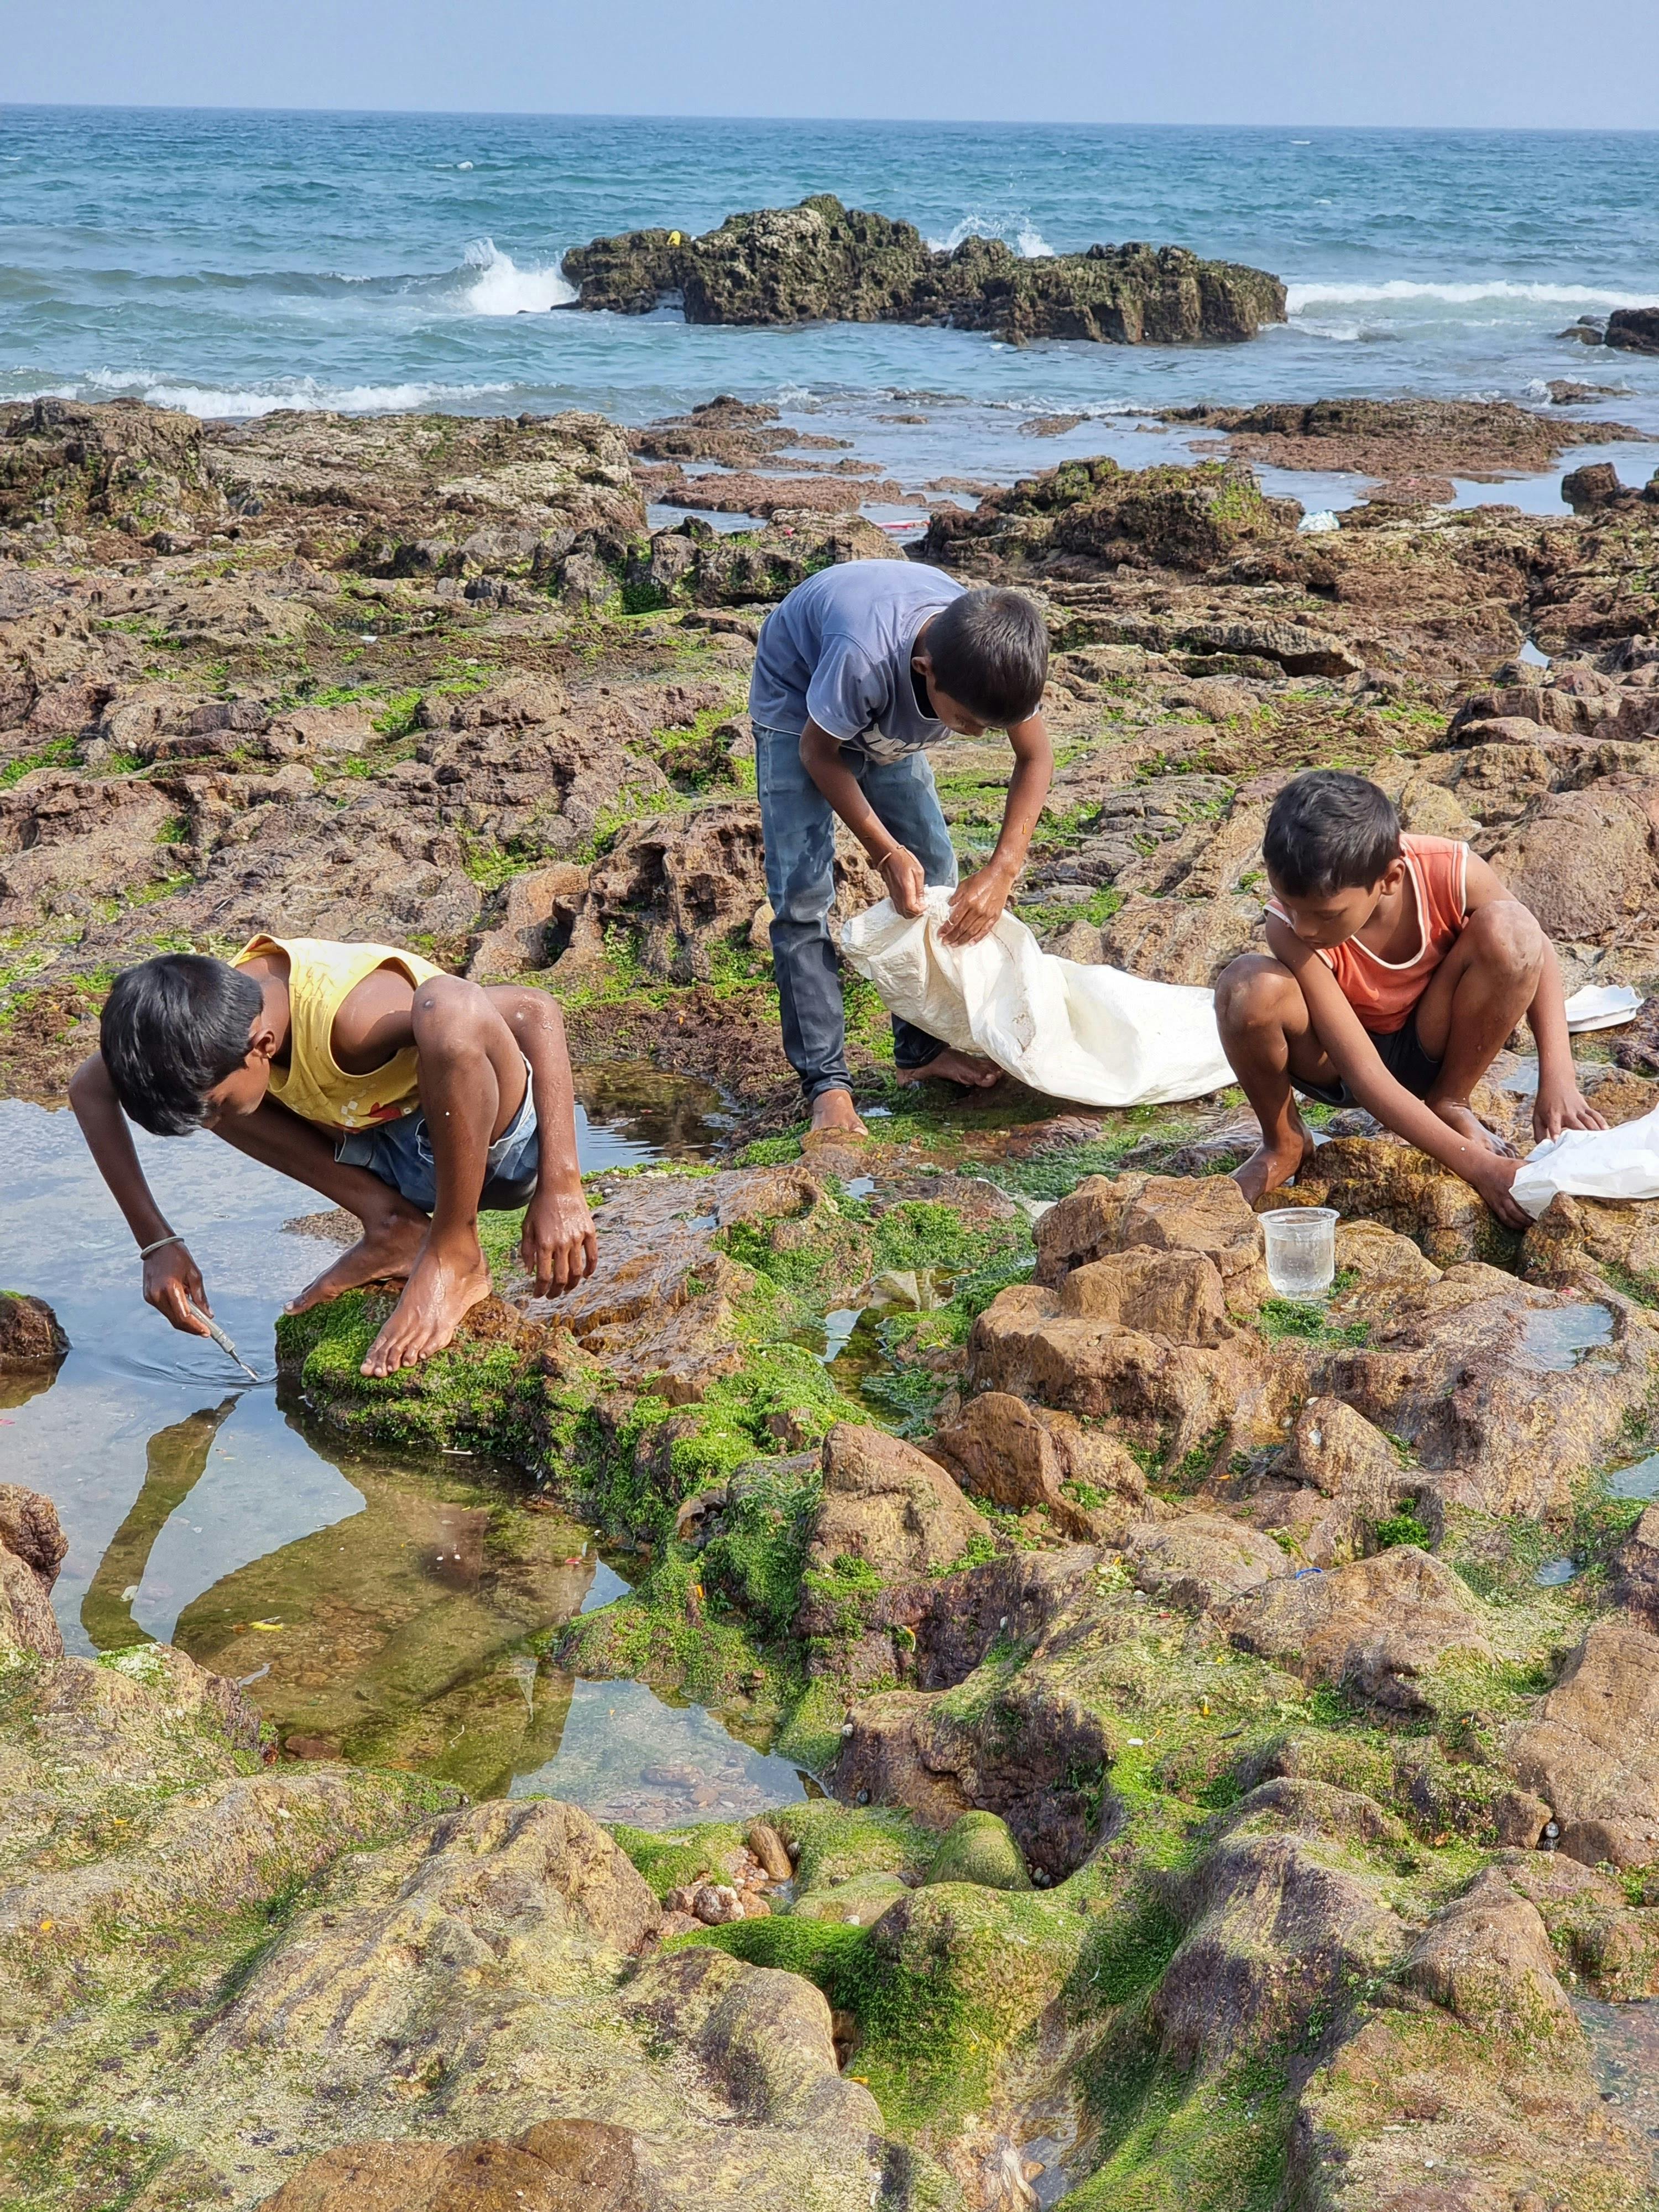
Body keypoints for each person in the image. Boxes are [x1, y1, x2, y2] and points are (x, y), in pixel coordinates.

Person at [68, 936, 597, 1379]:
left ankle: (454, 1253)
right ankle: (393, 1228)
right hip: (377, 1142)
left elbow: (535, 1010)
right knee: (212, 1093)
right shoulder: (197, 1025)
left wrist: (563, 1186)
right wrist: (157, 1244)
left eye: (215, 1110)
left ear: (264, 1044)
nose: (212, 1125)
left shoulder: (354, 1014)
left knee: (446, 1008)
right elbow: (88, 1088)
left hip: (493, 1156)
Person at [1214, 770, 1605, 1227]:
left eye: (1325, 915)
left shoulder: (1450, 871)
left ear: (1390, 878)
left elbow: (1536, 948)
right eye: (1290, 904)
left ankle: (1451, 1102)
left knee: (1512, 929)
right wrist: (1482, 1169)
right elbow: (1365, 1074)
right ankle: (1284, 1142)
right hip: (1336, 1059)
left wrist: (1557, 1078)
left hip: (1431, 1043)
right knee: (1246, 986)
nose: (1304, 928)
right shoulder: (1288, 927)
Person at [748, 560, 1052, 1135]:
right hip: (800, 703)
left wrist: (1003, 869)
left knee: (934, 872)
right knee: (803, 897)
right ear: (925, 670)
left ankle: (919, 1054)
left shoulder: (994, 658)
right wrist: (884, 851)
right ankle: (826, 1085)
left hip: (883, 710)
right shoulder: (863, 658)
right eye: (966, 723)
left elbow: (1035, 756)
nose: (976, 735)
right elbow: (820, 755)